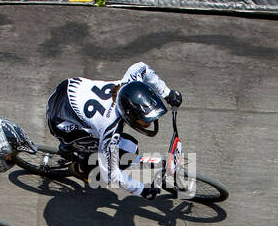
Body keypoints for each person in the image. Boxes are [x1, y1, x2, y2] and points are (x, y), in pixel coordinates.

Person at [45, 61, 182, 198]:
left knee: (127, 148)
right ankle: (82, 169)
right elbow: (110, 174)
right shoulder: (110, 129)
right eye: (144, 120)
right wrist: (140, 189)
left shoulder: (129, 84)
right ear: (128, 115)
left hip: (68, 90)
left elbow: (142, 68)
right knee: (127, 150)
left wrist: (167, 93)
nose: (149, 123)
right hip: (61, 122)